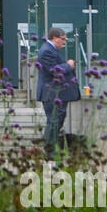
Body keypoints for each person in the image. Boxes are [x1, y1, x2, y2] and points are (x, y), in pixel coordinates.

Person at [36, 28, 79, 158]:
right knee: (54, 121)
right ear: (55, 38)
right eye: (63, 39)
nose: (64, 42)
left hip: (57, 94)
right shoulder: (46, 51)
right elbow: (54, 70)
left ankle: (51, 148)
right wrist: (69, 65)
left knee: (57, 121)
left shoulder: (51, 50)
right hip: (52, 93)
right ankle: (49, 151)